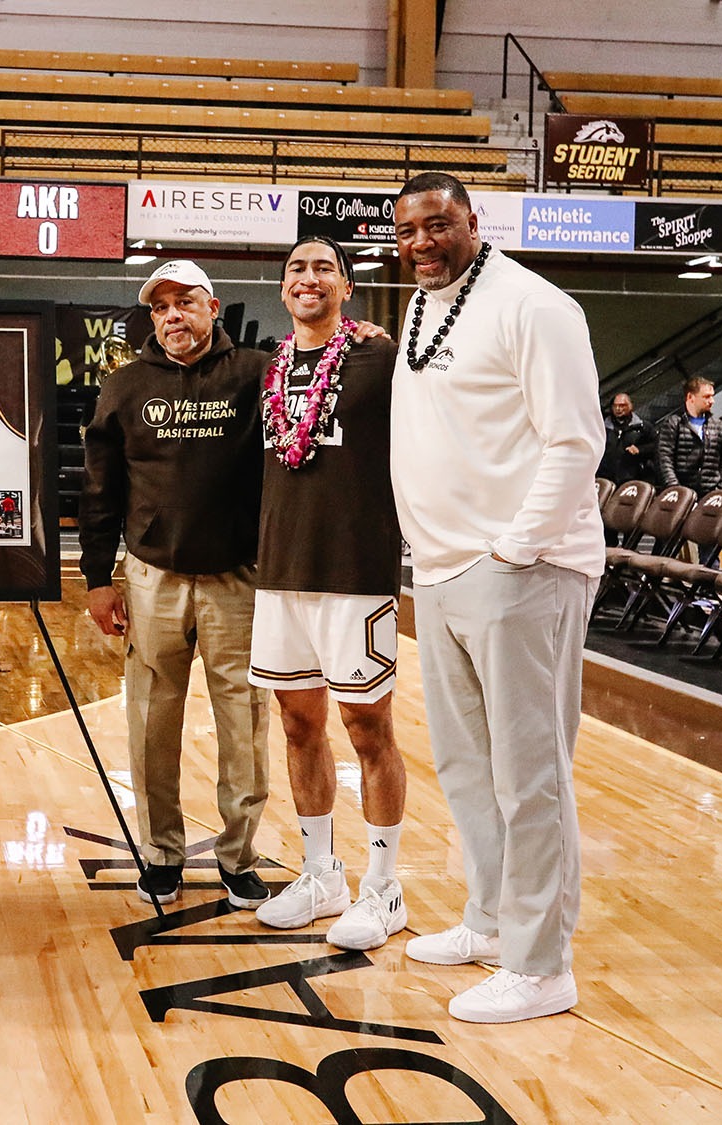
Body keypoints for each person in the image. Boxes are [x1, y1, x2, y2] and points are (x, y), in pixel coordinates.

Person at [389, 172, 604, 1023]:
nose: (423, 242)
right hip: (439, 569)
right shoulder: (421, 308)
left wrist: (517, 545)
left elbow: (573, 439)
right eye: (409, 230)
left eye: (439, 224)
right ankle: (490, 921)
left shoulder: (536, 305)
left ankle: (542, 963)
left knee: (531, 774)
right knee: (468, 768)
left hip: (522, 567)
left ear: (474, 221)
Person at [79, 260, 274, 909]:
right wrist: (97, 579)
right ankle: (160, 851)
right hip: (151, 578)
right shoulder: (126, 385)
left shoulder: (254, 374)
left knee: (243, 725)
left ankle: (238, 854)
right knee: (151, 723)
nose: (172, 316)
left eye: (184, 302)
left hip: (236, 580)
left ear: (212, 307)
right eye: (160, 306)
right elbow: (101, 489)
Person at [247, 236, 410, 952]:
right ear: (284, 289)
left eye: (322, 268)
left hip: (356, 570)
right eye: (295, 270)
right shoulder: (268, 369)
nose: (307, 278)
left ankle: (384, 888)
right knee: (297, 727)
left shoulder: (382, 358)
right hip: (282, 570)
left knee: (369, 731)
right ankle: (322, 875)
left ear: (346, 284)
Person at [655, 377, 722, 494]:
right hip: (681, 495)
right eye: (706, 397)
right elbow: (664, 460)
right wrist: (675, 489)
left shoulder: (719, 426)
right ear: (690, 397)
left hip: (711, 494)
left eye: (712, 396)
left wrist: (720, 489)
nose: (712, 401)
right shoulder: (673, 423)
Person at [598, 393, 654, 485]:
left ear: (631, 406)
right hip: (605, 478)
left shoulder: (642, 427)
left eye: (622, 405)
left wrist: (640, 450)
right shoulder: (602, 426)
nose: (618, 409)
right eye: (615, 406)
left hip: (633, 479)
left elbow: (656, 446)